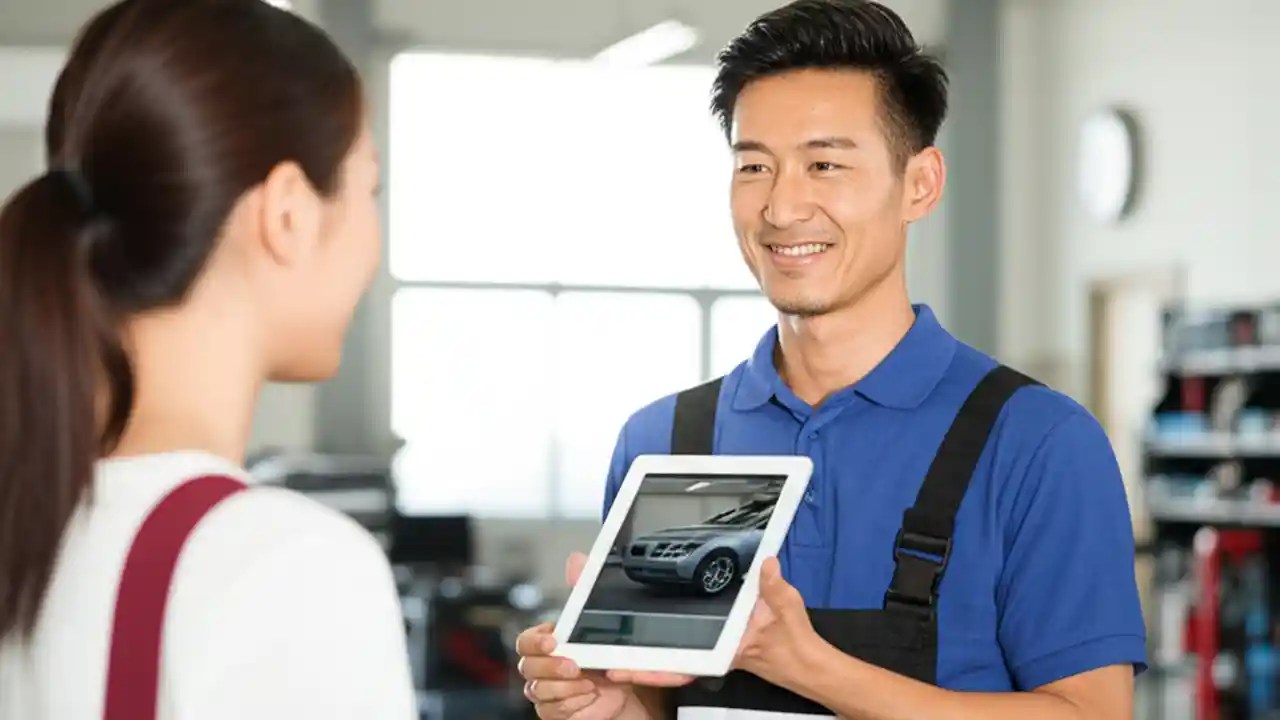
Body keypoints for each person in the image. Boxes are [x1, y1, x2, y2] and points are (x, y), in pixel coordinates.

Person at [515, 1, 1147, 718]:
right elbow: (660, 707)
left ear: (920, 184)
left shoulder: (1036, 442)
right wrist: (606, 704)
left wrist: (807, 666)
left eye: (825, 164)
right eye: (755, 165)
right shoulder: (663, 443)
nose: (782, 207)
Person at [0, 1, 416, 718]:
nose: (373, 240)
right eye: (367, 188)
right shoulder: (287, 564)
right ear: (288, 213)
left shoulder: (33, 526)